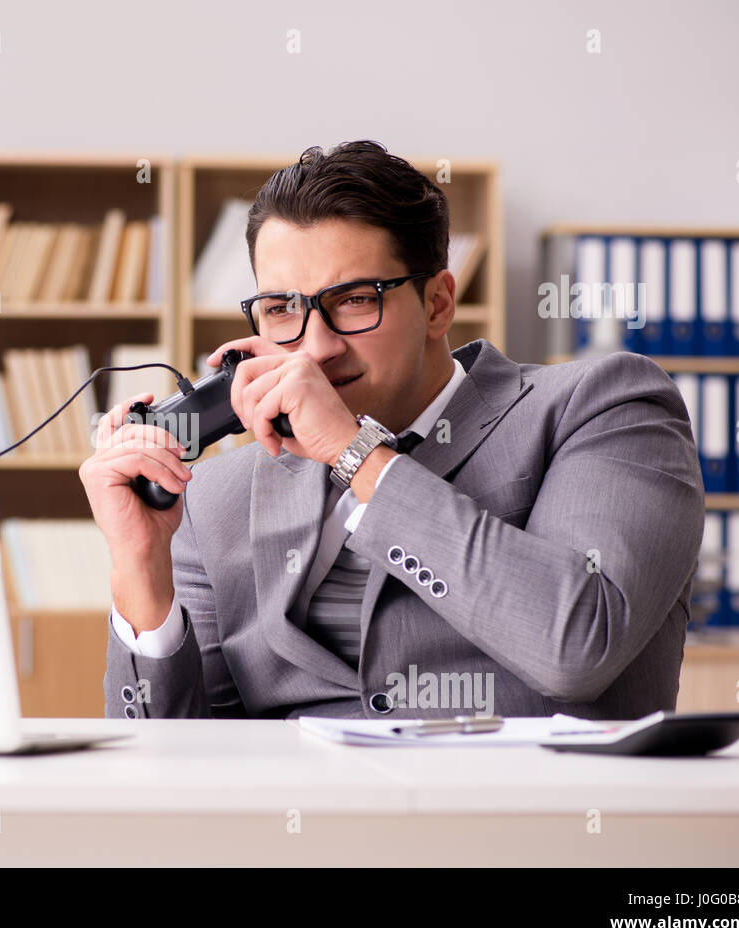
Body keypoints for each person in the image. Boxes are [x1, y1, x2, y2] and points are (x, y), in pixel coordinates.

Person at [78, 140, 704, 720]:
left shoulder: (602, 407)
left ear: (437, 303)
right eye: (281, 309)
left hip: (530, 828)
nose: (315, 348)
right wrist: (139, 567)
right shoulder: (213, 499)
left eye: (355, 300)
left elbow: (576, 647)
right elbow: (168, 767)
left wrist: (354, 452)